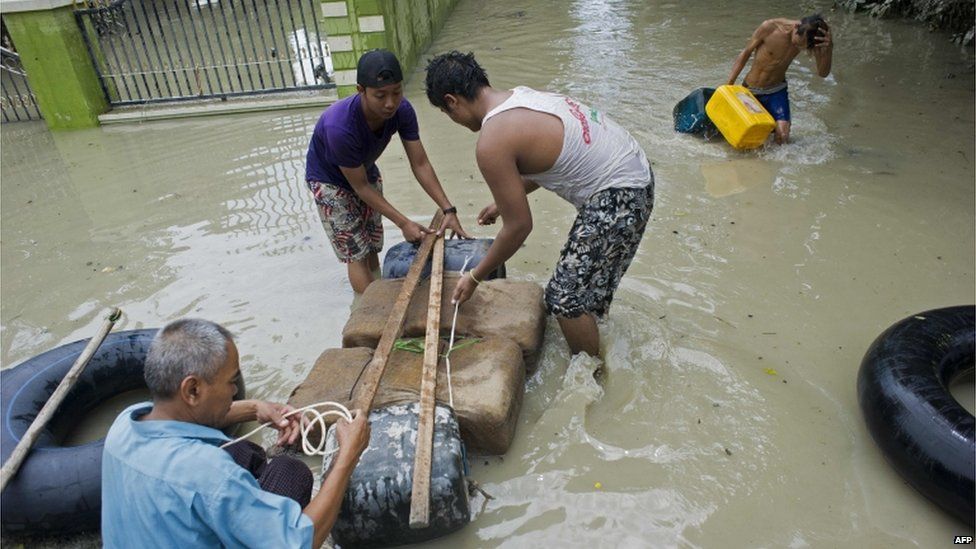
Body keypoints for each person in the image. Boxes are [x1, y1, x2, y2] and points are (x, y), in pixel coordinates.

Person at [425, 51, 654, 359]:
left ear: (452, 101)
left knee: (563, 297)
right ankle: (601, 347)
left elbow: (519, 227)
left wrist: (475, 276)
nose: (452, 120)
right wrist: (504, 201)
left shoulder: (491, 140)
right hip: (638, 176)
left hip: (618, 195)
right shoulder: (520, 97)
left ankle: (591, 376)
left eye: (446, 112)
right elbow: (551, 163)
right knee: (589, 292)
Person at [102, 318, 371, 549]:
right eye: (231, 382)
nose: (234, 391)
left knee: (240, 451)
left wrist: (255, 408)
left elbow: (183, 420)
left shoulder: (125, 424)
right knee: (289, 472)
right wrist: (347, 455)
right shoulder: (208, 473)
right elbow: (300, 542)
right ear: (193, 390)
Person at [305, 49, 470, 294]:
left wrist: (448, 209)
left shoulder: (402, 110)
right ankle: (370, 312)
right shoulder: (339, 128)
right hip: (331, 183)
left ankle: (377, 291)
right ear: (361, 90)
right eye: (380, 96)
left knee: (372, 246)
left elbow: (420, 163)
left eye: (396, 92)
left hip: (365, 171)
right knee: (356, 254)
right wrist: (403, 222)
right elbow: (358, 187)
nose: (390, 103)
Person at [726, 14, 833, 144]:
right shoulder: (769, 27)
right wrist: (729, 85)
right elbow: (745, 53)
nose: (798, 47)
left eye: (802, 47)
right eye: (798, 43)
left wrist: (828, 49)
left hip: (777, 90)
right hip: (751, 89)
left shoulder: (812, 38)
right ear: (796, 27)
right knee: (744, 136)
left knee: (782, 137)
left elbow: (823, 73)